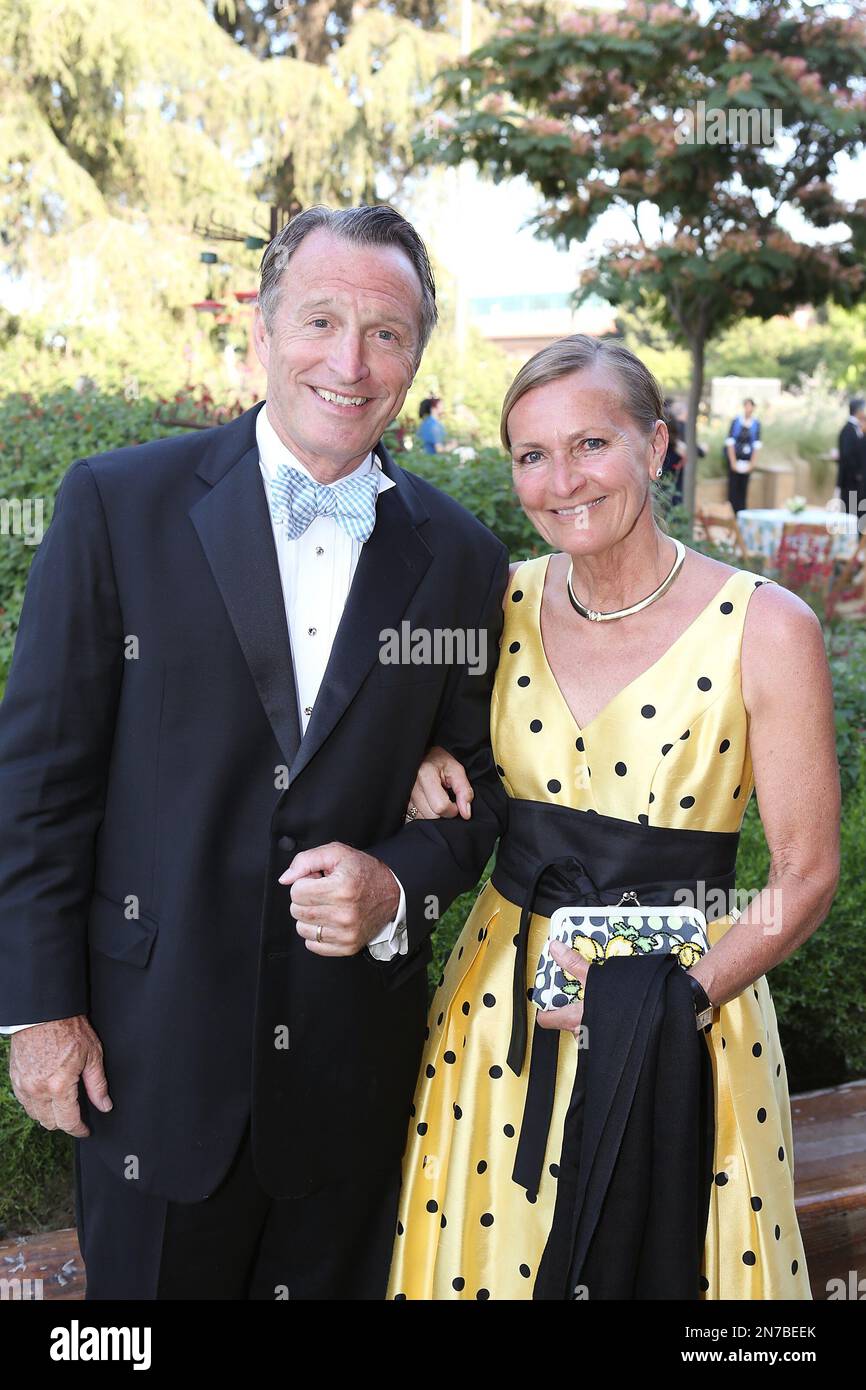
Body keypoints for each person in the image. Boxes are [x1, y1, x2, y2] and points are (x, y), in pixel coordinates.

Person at [0, 205, 510, 1300]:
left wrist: (396, 879)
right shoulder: (114, 505)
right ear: (262, 333)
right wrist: (39, 1013)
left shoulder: (462, 558)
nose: (350, 359)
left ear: (416, 360)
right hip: (148, 1064)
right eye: (320, 320)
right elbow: (40, 788)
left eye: (386, 334)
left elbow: (480, 795)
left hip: (347, 1077)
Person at [387, 335, 839, 1301]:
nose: (562, 482)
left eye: (591, 443)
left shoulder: (768, 626)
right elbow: (418, 739)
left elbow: (804, 876)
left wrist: (668, 1010)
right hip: (501, 1020)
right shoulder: (495, 601)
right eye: (532, 456)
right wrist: (424, 758)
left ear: (659, 447)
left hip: (691, 1014)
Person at [725, 397, 762, 514]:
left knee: (743, 491)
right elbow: (730, 442)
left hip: (747, 462)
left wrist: (752, 463)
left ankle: (741, 515)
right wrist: (733, 462)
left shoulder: (756, 424)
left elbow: (756, 445)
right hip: (736, 460)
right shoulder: (736, 421)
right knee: (733, 490)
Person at [834, 397, 866, 517]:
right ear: (859, 411)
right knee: (851, 516)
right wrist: (857, 474)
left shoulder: (858, 429)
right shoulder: (848, 430)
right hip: (851, 483)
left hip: (857, 484)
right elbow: (847, 455)